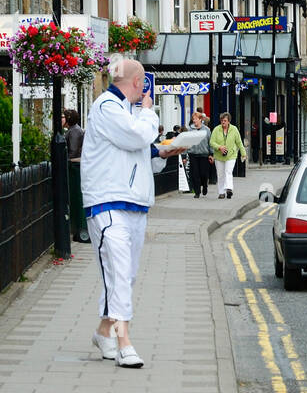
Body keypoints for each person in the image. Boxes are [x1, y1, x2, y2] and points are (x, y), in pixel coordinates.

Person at [82, 56, 183, 368]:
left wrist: (163, 152)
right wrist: (149, 114)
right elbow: (137, 136)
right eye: (144, 85)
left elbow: (140, 153)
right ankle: (124, 342)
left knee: (124, 274)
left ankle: (103, 332)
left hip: (134, 205)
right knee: (120, 270)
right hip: (107, 202)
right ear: (139, 83)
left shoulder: (127, 112)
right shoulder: (107, 107)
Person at [62, 108, 88, 243]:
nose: (61, 119)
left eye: (63, 117)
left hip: (74, 167)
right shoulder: (73, 130)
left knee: (77, 198)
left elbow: (72, 152)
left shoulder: (74, 132)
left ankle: (80, 228)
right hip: (74, 167)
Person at [210, 110, 246, 199]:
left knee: (228, 171)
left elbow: (239, 142)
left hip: (231, 155)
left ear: (229, 121)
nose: (223, 122)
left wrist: (243, 153)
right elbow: (211, 142)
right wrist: (219, 147)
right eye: (222, 120)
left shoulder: (234, 129)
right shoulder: (216, 129)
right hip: (219, 156)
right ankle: (221, 192)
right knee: (220, 174)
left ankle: (229, 189)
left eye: (225, 120)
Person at [185, 110, 212, 198]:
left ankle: (205, 186)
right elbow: (186, 143)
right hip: (193, 154)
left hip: (204, 154)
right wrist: (185, 155)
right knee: (195, 174)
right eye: (193, 119)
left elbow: (210, 142)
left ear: (200, 119)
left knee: (203, 174)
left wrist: (211, 154)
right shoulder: (190, 130)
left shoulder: (207, 130)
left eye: (196, 119)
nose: (194, 121)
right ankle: (197, 192)